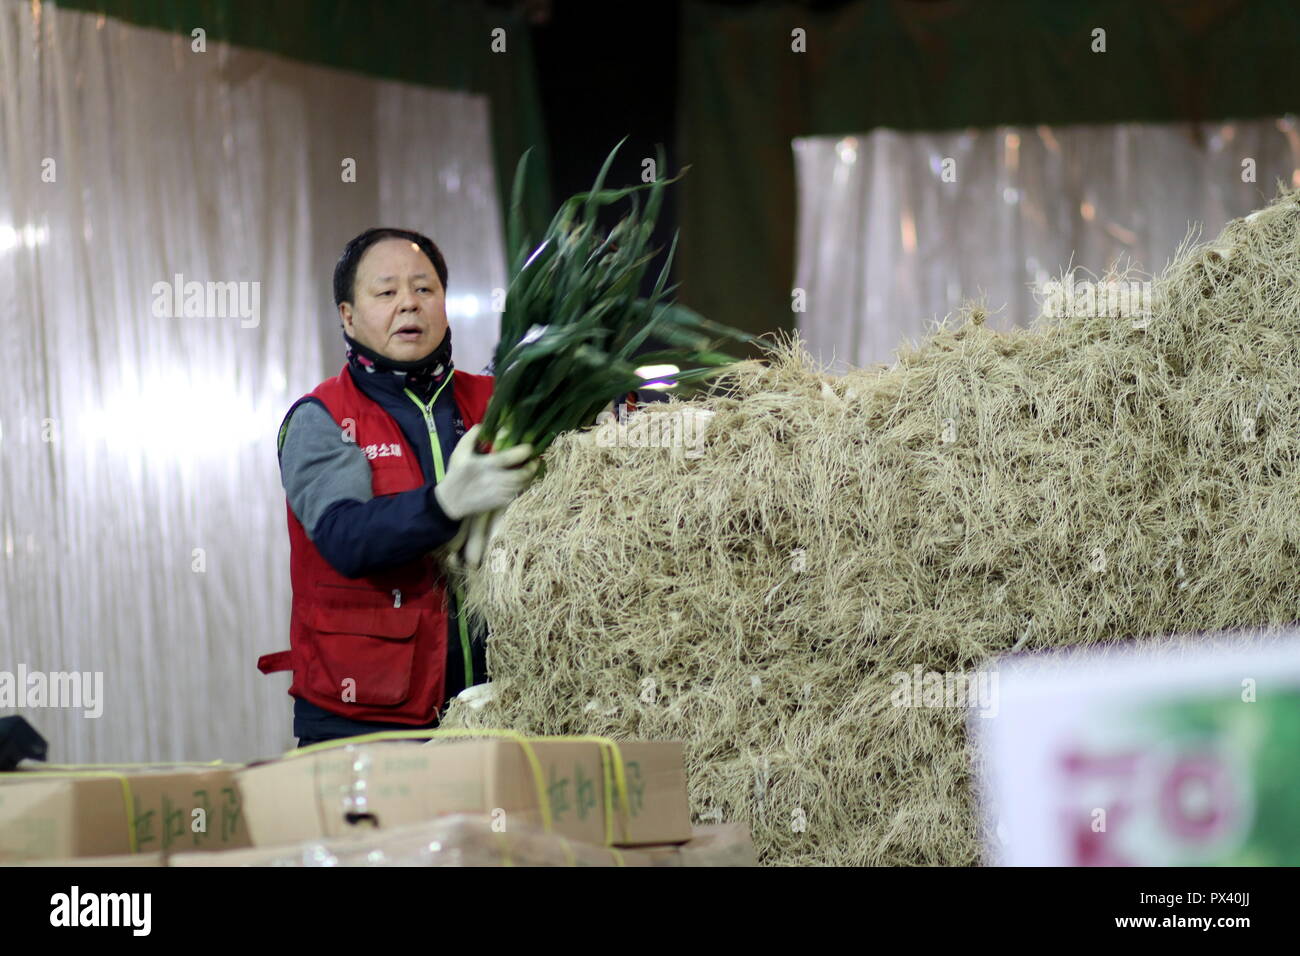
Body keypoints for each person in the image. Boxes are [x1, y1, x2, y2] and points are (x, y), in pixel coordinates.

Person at [256, 227, 536, 747]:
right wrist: (444, 504)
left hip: (500, 711)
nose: (409, 302)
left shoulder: (501, 404)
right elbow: (346, 537)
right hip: (367, 722)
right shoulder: (323, 417)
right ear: (348, 315)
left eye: (425, 289)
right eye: (386, 292)